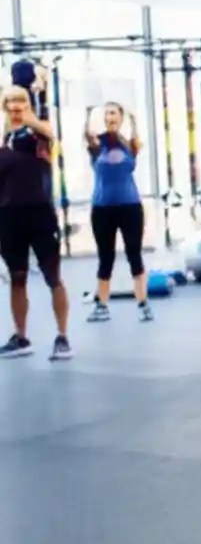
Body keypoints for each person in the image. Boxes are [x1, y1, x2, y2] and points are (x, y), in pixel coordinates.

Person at [0, 84, 71, 360]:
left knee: (53, 277)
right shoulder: (4, 141)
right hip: (9, 217)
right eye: (10, 102)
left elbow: (50, 136)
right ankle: (21, 337)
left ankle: (63, 337)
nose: (15, 106)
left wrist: (31, 116)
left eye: (20, 101)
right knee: (17, 278)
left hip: (40, 214)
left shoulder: (38, 135)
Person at [85, 101, 154, 323]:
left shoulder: (129, 145)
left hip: (130, 207)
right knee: (106, 257)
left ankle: (143, 304)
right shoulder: (98, 144)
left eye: (113, 113)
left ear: (120, 118)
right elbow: (87, 135)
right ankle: (101, 306)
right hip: (102, 208)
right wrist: (88, 115)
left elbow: (136, 139)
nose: (110, 117)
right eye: (106, 114)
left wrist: (134, 121)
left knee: (134, 254)